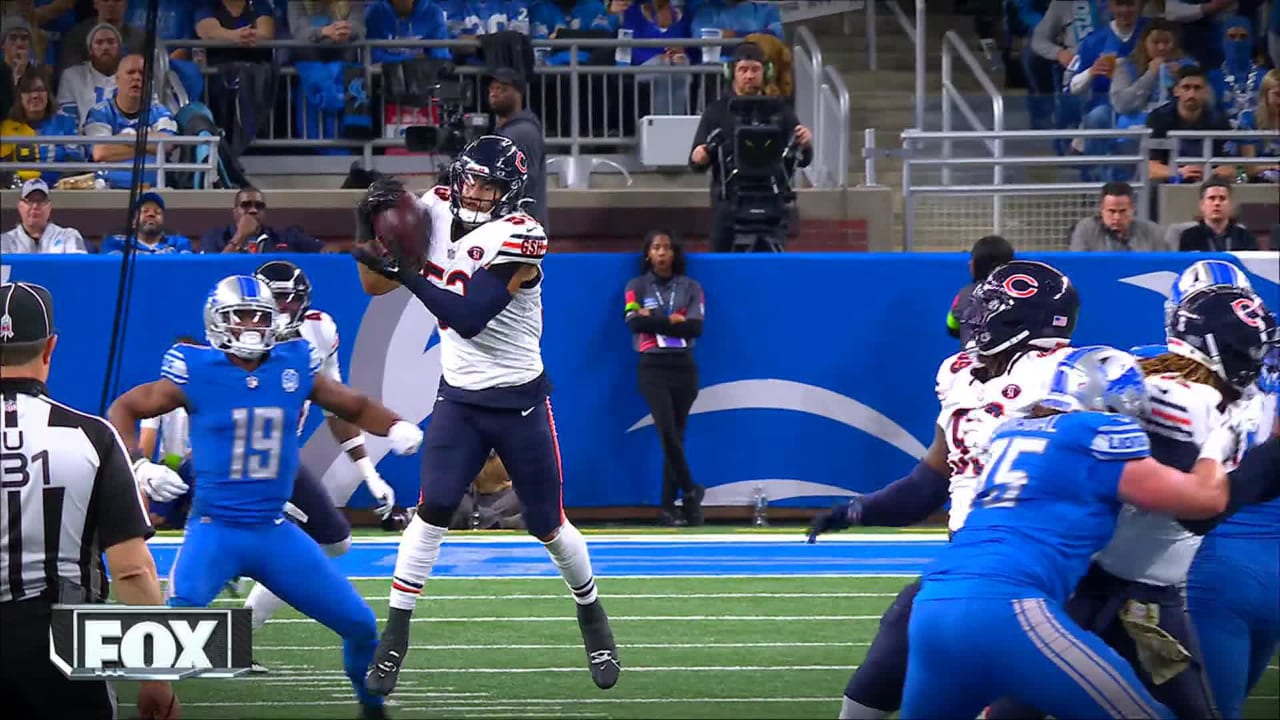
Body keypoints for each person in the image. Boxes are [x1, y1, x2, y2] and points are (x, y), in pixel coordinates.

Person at [352, 134, 621, 696]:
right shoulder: (430, 208)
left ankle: (591, 613)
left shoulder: (523, 235)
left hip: (519, 399)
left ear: (510, 193)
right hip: (459, 397)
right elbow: (373, 283)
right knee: (433, 510)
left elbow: (470, 315)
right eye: (471, 179)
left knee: (548, 524)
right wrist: (368, 224)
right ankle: (394, 634)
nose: (475, 191)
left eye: (489, 185)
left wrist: (407, 272)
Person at [106, 274, 425, 720]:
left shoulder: (293, 360)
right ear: (218, 322)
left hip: (274, 531)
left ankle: (372, 709)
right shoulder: (195, 368)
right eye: (241, 318)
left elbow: (348, 404)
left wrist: (392, 425)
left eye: (260, 316)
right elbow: (125, 407)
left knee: (360, 625)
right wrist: (140, 466)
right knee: (167, 641)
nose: (252, 326)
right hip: (214, 532)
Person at [985, 283, 1280, 720]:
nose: (1260, 357)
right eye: (1254, 345)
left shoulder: (1204, 393)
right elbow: (1192, 511)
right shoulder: (1182, 398)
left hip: (1140, 589)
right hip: (1092, 582)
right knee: (1022, 706)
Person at [806, 260, 1081, 720]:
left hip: (1040, 567)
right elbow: (929, 482)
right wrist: (858, 511)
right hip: (966, 559)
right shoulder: (958, 374)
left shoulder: (1063, 374)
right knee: (892, 649)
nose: (975, 319)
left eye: (990, 310)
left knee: (1014, 700)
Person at [899, 346, 1233, 720]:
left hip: (934, 601)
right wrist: (1216, 444)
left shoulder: (1011, 431)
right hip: (1006, 604)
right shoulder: (1097, 432)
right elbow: (1205, 500)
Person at [0, 281, 180, 720]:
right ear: (50, 347)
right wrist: (156, 678)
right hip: (61, 639)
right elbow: (133, 568)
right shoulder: (92, 437)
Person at [240, 259, 398, 660]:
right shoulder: (239, 336)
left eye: (291, 303)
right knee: (251, 548)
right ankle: (213, 637)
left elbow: (337, 407)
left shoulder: (319, 330)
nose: (283, 311)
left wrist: (368, 472)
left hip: (283, 456)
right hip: (239, 454)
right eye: (276, 301)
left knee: (334, 540)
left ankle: (239, 630)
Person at [688, 41, 812, 253]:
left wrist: (806, 143)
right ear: (731, 73)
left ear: (766, 72)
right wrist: (699, 156)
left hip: (772, 202)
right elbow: (695, 162)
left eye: (755, 69)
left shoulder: (780, 110)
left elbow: (804, 159)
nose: (749, 75)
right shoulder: (716, 111)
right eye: (743, 70)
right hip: (729, 205)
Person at [624, 229, 706, 526]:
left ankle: (670, 508)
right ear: (648, 253)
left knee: (678, 437)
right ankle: (691, 490)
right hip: (652, 367)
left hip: (683, 366)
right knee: (667, 433)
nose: (661, 253)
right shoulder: (636, 286)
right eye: (656, 248)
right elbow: (633, 323)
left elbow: (695, 327)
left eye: (667, 248)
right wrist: (672, 320)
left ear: (674, 254)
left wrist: (654, 320)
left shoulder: (691, 287)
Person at [488, 67, 548, 230]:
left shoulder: (521, 133)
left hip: (520, 228)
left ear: (518, 94)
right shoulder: (505, 130)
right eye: (492, 89)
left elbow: (524, 184)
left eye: (502, 89)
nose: (494, 93)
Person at [945, 234, 1013, 347]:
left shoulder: (965, 294)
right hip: (1012, 360)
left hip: (974, 360)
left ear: (975, 264)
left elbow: (952, 327)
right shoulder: (1020, 292)